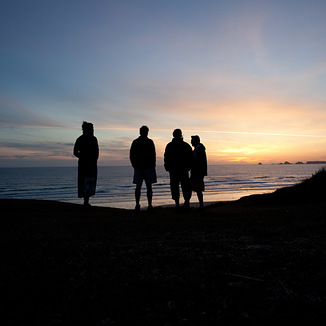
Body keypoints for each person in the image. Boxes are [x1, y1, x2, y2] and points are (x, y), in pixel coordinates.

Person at [129, 126, 157, 211]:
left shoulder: (136, 142)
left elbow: (131, 155)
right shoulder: (149, 142)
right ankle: (149, 205)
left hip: (139, 167)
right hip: (147, 167)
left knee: (139, 187)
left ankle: (138, 204)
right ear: (147, 132)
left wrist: (134, 165)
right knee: (148, 187)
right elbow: (153, 155)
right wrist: (153, 166)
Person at [164, 129, 193, 209]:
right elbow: (190, 157)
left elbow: (166, 157)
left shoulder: (170, 145)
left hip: (175, 169)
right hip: (182, 169)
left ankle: (179, 204)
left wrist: (167, 166)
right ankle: (186, 203)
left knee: (175, 187)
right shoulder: (185, 145)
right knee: (184, 187)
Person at [73, 121, 99, 207]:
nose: (92, 131)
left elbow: (96, 152)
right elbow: (75, 152)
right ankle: (85, 200)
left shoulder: (93, 139)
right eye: (91, 129)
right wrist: (83, 157)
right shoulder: (80, 139)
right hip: (84, 164)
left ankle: (87, 200)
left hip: (91, 164)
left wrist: (94, 159)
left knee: (90, 181)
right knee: (84, 181)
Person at [190, 135, 207, 210]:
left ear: (196, 141)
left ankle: (201, 205)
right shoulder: (197, 149)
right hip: (196, 172)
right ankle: (200, 205)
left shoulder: (199, 149)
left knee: (198, 189)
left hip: (198, 172)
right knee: (196, 188)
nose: (191, 142)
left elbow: (200, 162)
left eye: (192, 140)